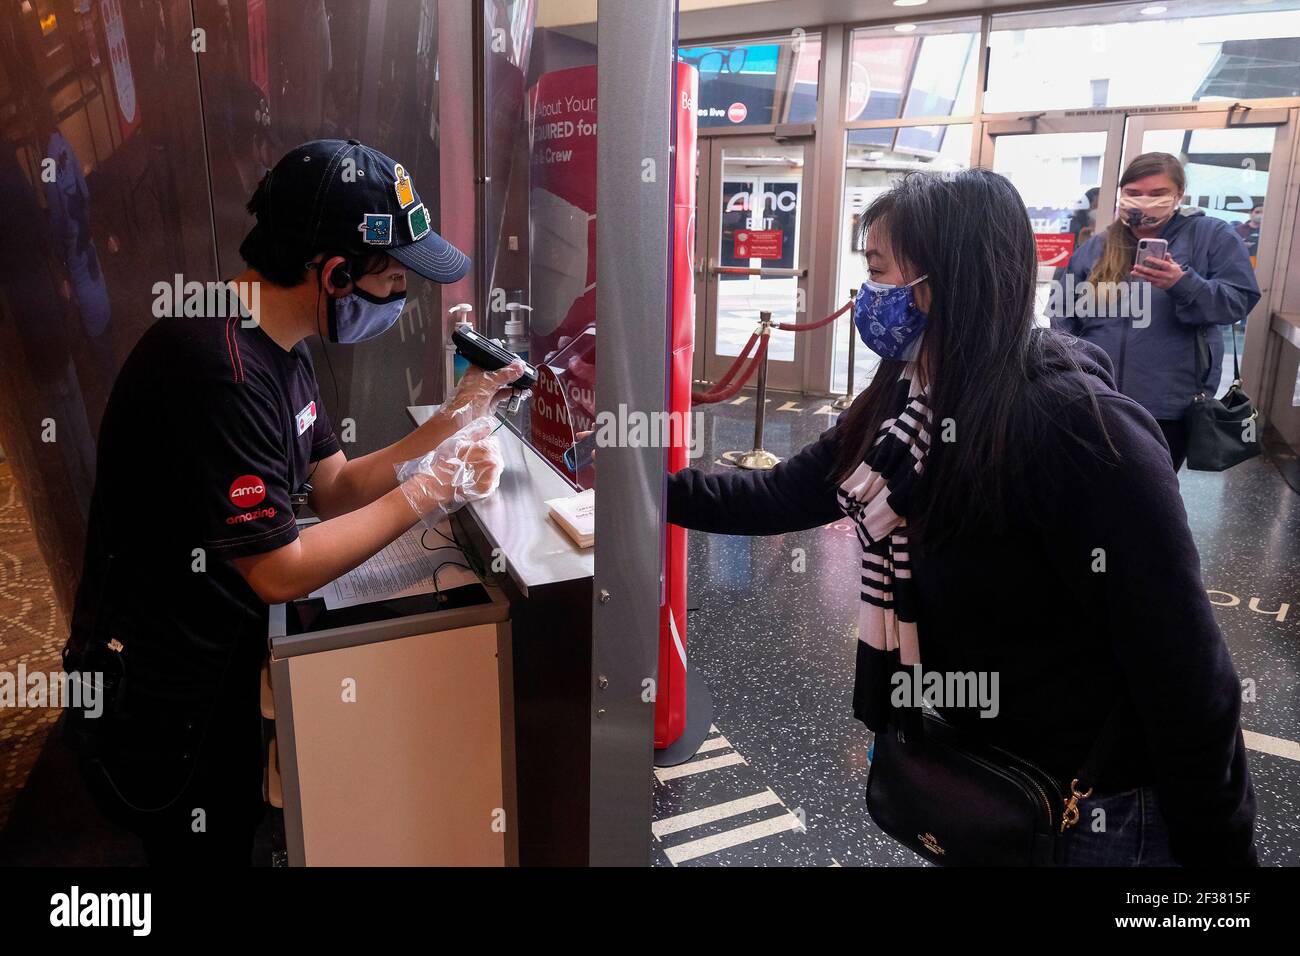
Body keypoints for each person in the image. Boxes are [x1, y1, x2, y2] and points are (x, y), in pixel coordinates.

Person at [667, 169, 1256, 866]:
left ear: (945, 279)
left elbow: (1181, 660)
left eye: (878, 271)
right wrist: (639, 488)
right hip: (980, 772)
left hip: (1095, 804)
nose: (867, 296)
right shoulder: (909, 395)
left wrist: (1219, 848)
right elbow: (784, 493)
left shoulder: (1075, 426)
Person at [61, 140, 524, 865]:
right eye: (392, 278)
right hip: (166, 692)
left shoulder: (280, 340)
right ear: (335, 274)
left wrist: (452, 421)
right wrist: (435, 488)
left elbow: (334, 487)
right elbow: (281, 570)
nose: (399, 296)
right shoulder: (222, 371)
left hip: (224, 650)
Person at [1050, 152, 1259, 469]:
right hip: (1096, 397)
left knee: (1150, 487)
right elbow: (1062, 312)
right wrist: (1073, 375)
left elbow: (1239, 301)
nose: (1144, 202)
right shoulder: (1098, 246)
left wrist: (1182, 283)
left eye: (1157, 193)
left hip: (1167, 405)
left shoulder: (1211, 236)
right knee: (1089, 482)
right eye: (1134, 193)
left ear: (1178, 195)